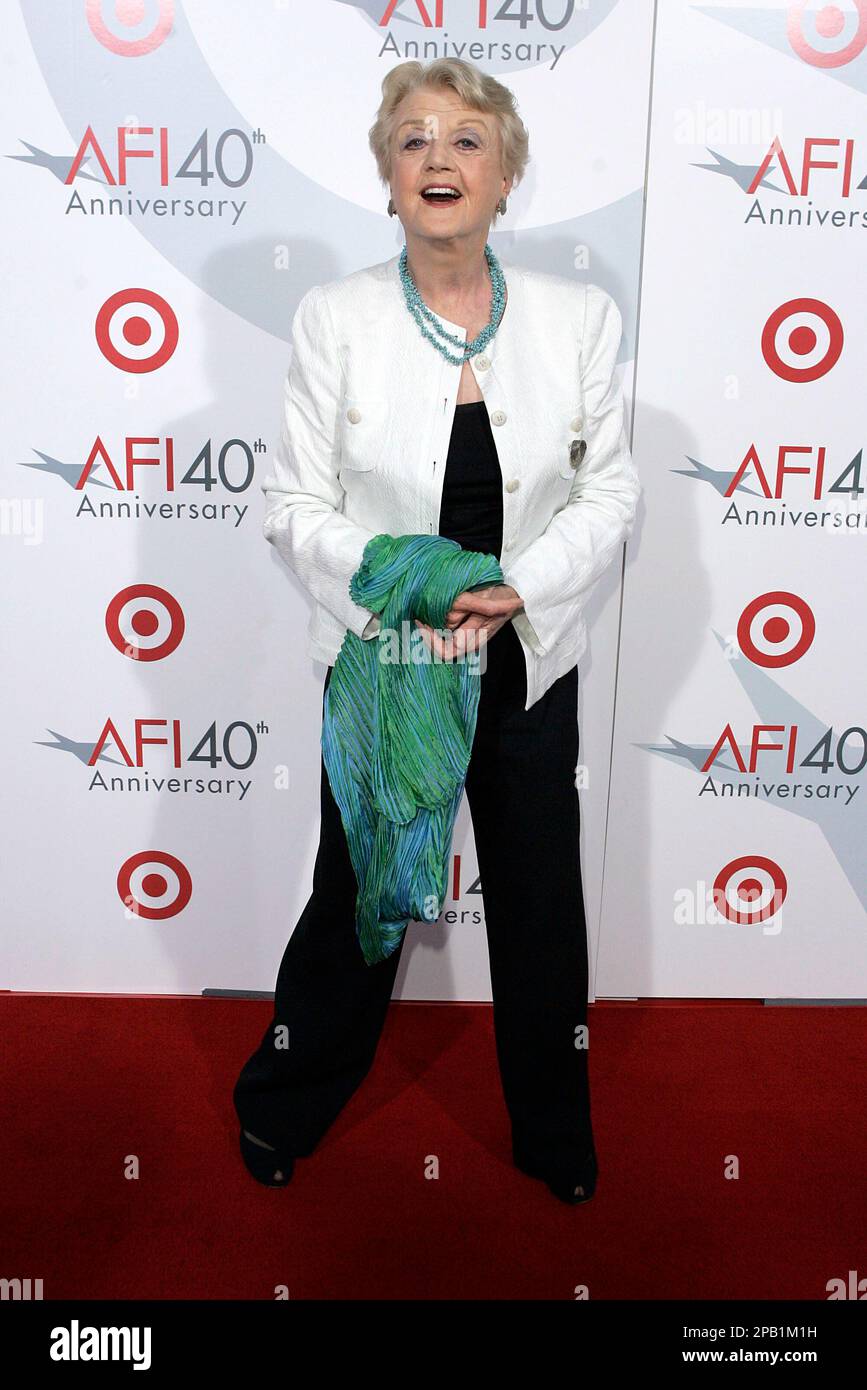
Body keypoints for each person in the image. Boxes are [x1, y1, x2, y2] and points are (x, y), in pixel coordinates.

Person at [233, 57, 641, 1205]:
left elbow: (609, 495)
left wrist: (516, 590)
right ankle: (286, 1100)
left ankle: (556, 1136)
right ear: (388, 174)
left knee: (540, 907)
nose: (439, 160)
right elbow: (292, 507)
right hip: (386, 657)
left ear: (504, 174)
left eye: (466, 140)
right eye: (413, 140)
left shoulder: (577, 319)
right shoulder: (337, 317)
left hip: (523, 654)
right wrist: (405, 581)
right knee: (359, 900)